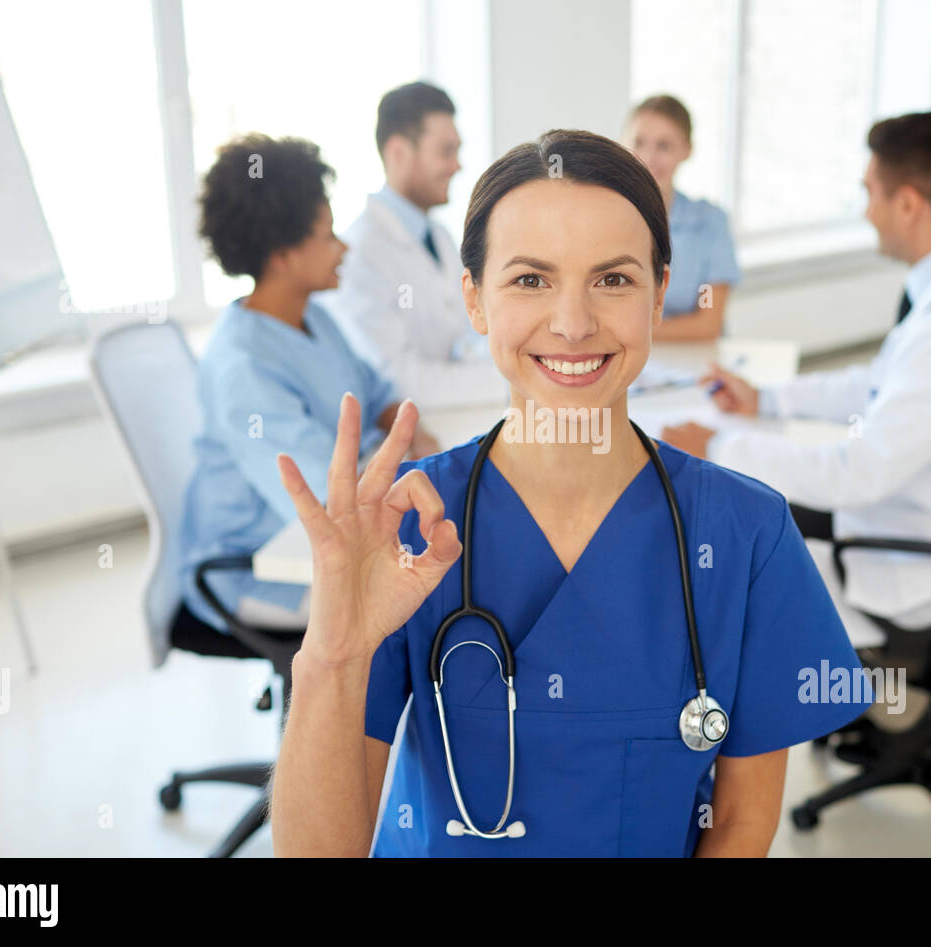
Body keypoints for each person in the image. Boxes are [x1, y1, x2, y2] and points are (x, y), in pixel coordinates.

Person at [269, 129, 871, 858]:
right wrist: (333, 650)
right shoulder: (409, 525)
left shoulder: (747, 534)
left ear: (659, 294)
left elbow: (742, 822)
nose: (574, 322)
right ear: (475, 299)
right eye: (530, 279)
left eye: (614, 279)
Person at [661, 112, 931, 646]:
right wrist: (769, 399)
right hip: (926, 509)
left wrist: (720, 447)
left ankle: (873, 704)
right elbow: (879, 383)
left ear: (909, 203)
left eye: (870, 192)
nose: (866, 210)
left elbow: (857, 474)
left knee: (733, 526)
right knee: (761, 505)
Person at [177, 133, 440, 634]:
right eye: (327, 236)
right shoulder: (244, 368)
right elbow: (329, 500)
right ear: (281, 255)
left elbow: (376, 391)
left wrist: (416, 439)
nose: (343, 247)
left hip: (327, 536)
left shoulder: (312, 318)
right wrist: (416, 465)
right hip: (264, 566)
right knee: (429, 599)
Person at [312, 81, 503, 409]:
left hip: (463, 413)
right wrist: (510, 380)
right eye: (446, 151)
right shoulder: (360, 254)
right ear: (399, 153)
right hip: (420, 427)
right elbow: (396, 381)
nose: (457, 166)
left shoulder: (438, 235)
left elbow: (469, 335)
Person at [624, 94, 740, 342]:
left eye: (664, 146)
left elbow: (707, 323)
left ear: (687, 150)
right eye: (639, 142)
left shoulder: (709, 224)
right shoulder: (606, 222)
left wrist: (630, 332)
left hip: (691, 360)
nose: (649, 157)